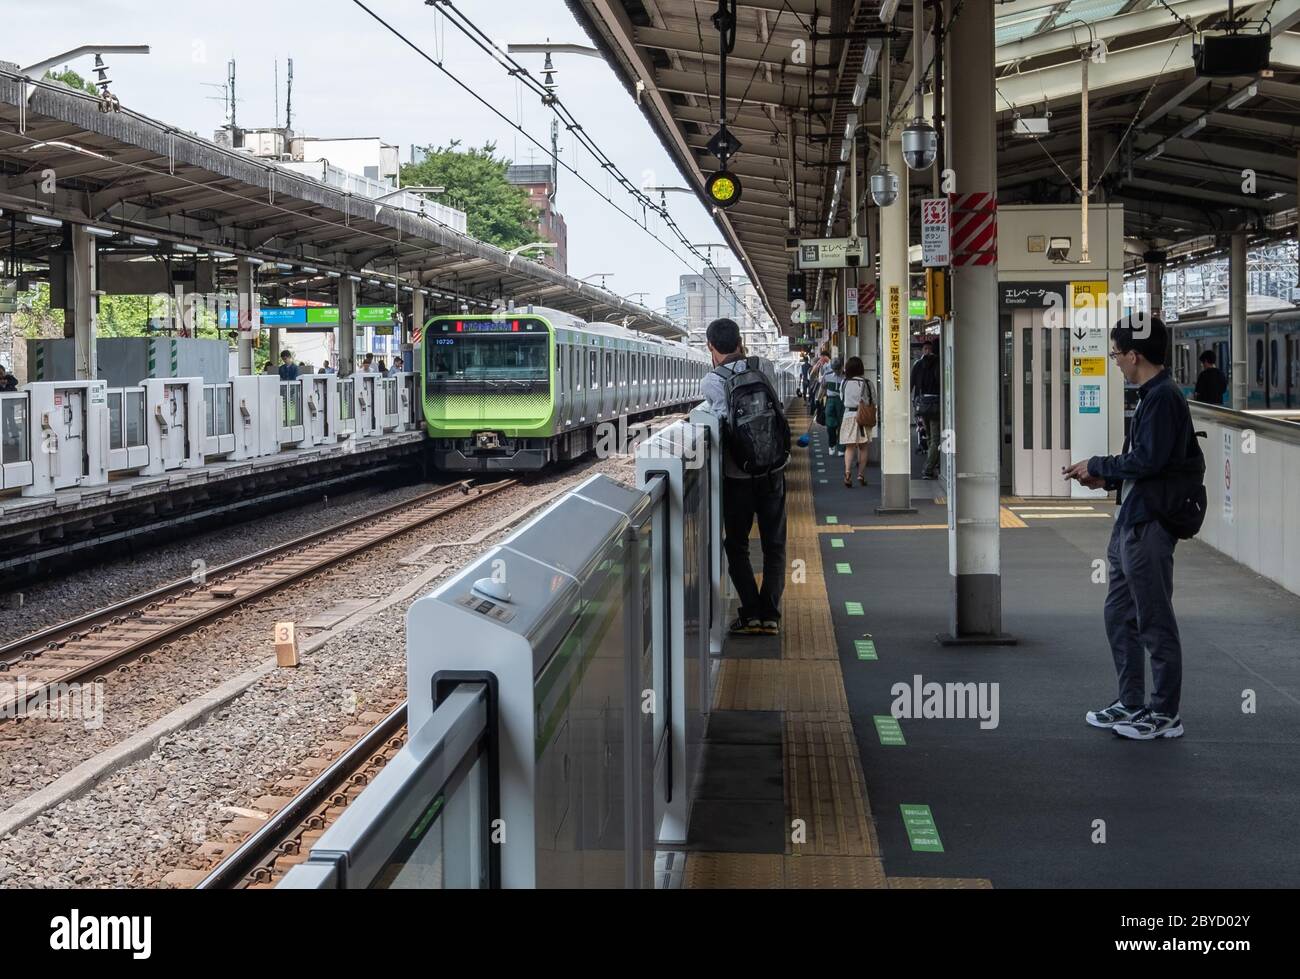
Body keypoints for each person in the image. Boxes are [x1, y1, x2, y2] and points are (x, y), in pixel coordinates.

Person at [1063, 315, 1193, 741]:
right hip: (1132, 520)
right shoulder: (1151, 396)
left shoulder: (1163, 398)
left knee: (1153, 619)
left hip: (1150, 525)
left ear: (1134, 355)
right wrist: (1108, 478)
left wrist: (1100, 464)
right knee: (1120, 613)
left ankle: (1165, 713)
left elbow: (1150, 461)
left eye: (1116, 354)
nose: (1115, 361)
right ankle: (1132, 701)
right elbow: (1146, 463)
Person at [701, 317, 788, 637]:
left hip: (737, 475)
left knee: (736, 544)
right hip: (773, 470)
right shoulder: (763, 367)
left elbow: (720, 422)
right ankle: (771, 614)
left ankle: (751, 611)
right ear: (740, 341)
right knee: (774, 545)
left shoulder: (712, 380)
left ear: (710, 347)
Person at [839, 357, 875, 487]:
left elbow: (842, 398)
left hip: (848, 415)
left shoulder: (844, 383)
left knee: (849, 447)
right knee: (863, 447)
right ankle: (861, 475)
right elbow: (872, 400)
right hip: (863, 417)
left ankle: (847, 473)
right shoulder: (867, 383)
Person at [911, 341, 941, 478]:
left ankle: (932, 462)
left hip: (922, 404)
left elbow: (911, 383)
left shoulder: (918, 364)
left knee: (929, 436)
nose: (927, 350)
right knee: (935, 438)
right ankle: (928, 468)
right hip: (935, 404)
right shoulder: (939, 363)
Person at [821, 357, 845, 456]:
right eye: (835, 368)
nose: (837, 370)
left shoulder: (846, 377)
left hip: (842, 401)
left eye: (838, 368)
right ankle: (832, 444)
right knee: (830, 425)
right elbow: (822, 388)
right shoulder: (826, 376)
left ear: (841, 367)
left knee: (842, 425)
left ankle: (841, 448)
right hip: (830, 400)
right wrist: (818, 400)